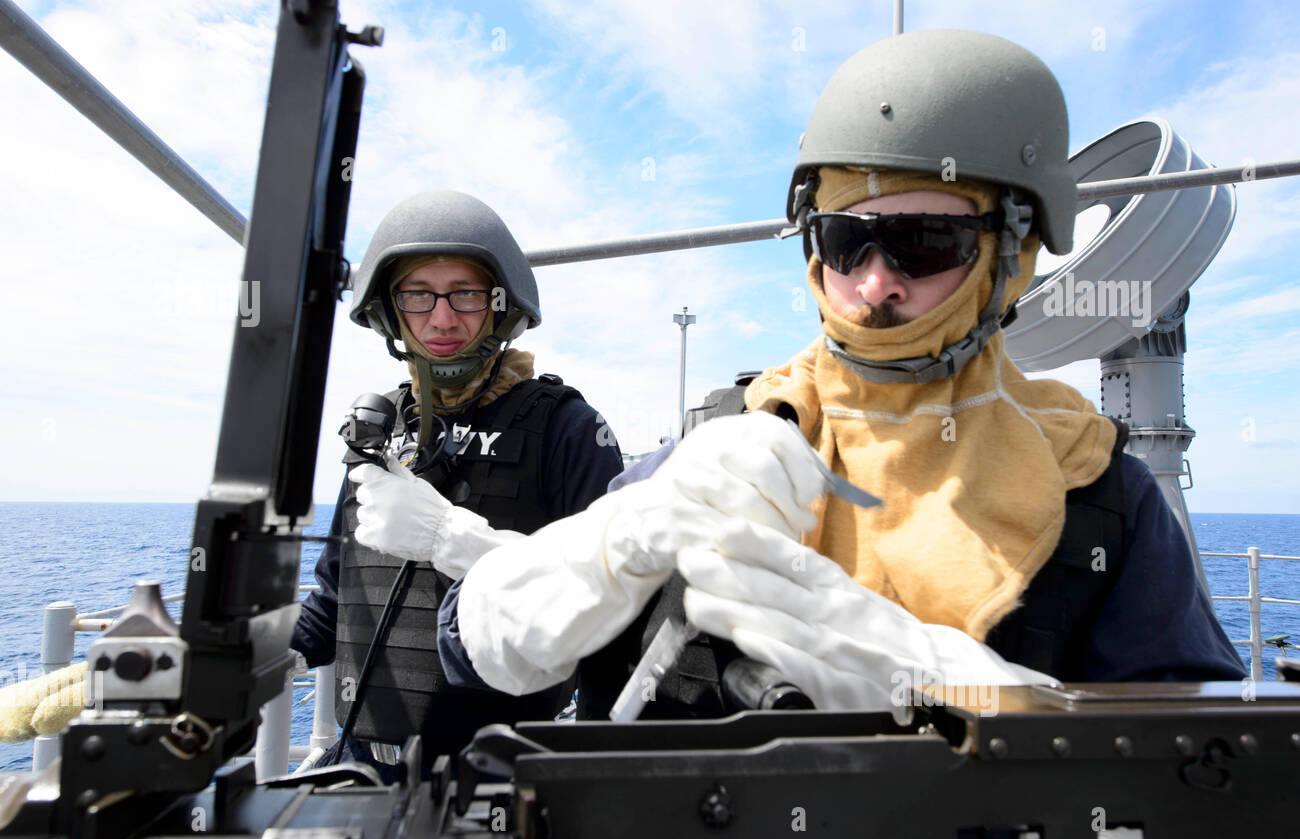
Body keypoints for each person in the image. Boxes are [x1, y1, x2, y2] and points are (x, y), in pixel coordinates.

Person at [433, 30, 1245, 717]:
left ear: (1013, 250)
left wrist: (971, 696)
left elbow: (1198, 789)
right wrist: (591, 560)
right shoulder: (724, 442)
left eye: (926, 243)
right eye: (845, 239)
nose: (876, 283)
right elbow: (472, 664)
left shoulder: (1099, 495)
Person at [291, 190, 623, 775]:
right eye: (418, 295)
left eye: (465, 293)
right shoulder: (379, 429)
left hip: (507, 777)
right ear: (392, 310)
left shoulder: (566, 429)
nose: (442, 318)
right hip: (363, 769)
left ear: (500, 304)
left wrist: (454, 539)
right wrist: (271, 650)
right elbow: (339, 597)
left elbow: (612, 603)